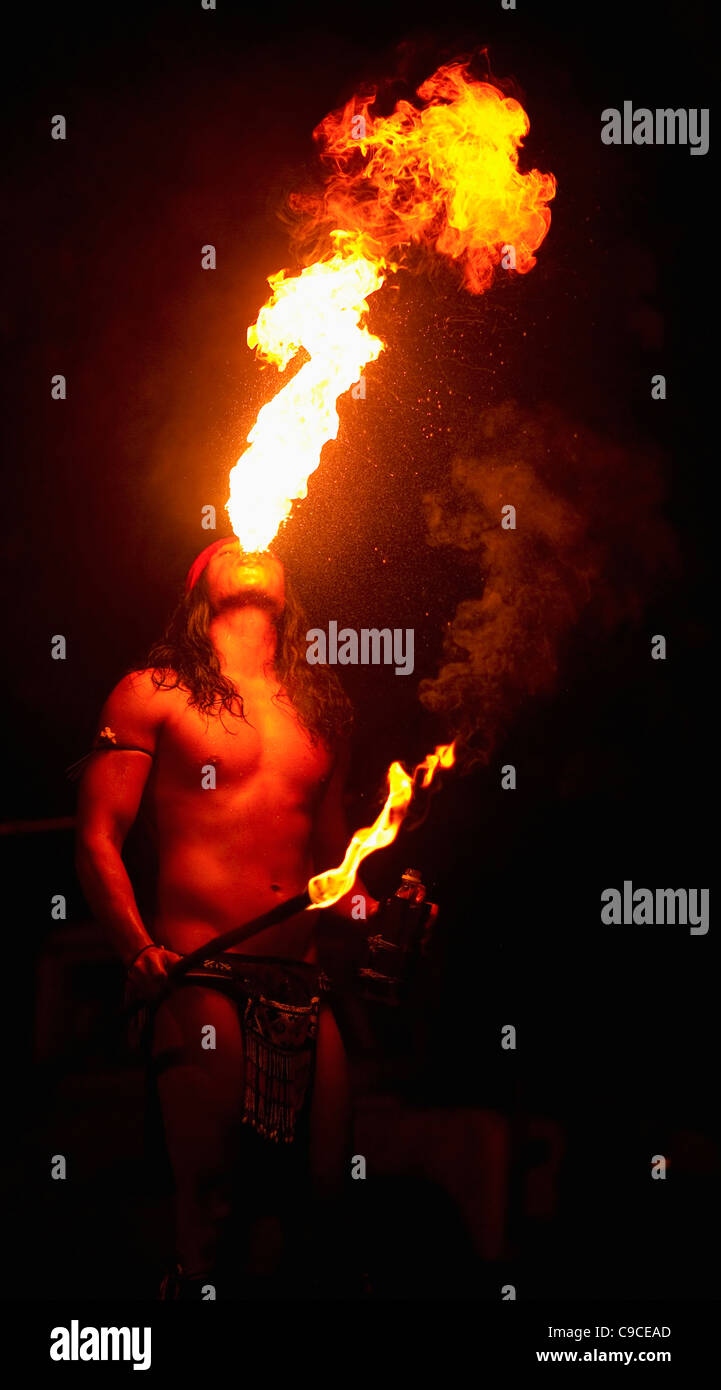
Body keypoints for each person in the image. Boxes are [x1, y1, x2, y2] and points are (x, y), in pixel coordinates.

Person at [74, 537, 377, 1296]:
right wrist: (133, 946)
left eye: (265, 546)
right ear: (199, 587)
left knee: (325, 1202)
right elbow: (97, 836)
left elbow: (333, 862)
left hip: (303, 982)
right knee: (208, 1201)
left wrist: (380, 911)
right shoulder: (152, 692)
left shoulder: (323, 712)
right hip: (199, 969)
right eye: (227, 544)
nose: (249, 547)